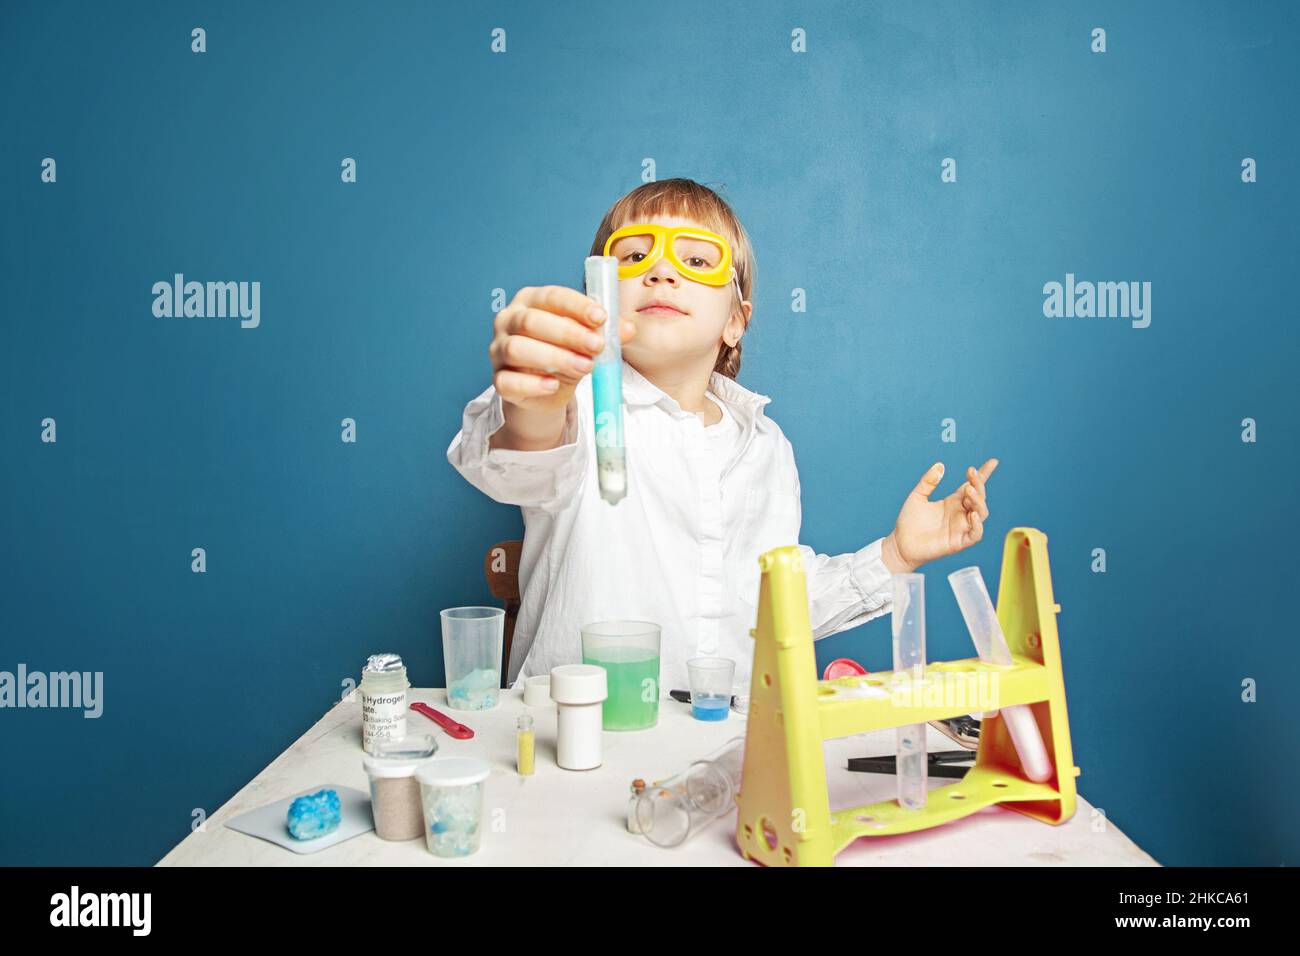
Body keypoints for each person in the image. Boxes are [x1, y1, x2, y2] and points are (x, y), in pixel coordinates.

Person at [447, 178, 998, 693]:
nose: (661, 272)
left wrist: (896, 555)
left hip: (725, 747)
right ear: (600, 299)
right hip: (580, 744)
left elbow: (776, 603)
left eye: (696, 261)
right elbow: (519, 458)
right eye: (634, 256)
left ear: (735, 321)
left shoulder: (766, 446)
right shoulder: (578, 403)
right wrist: (534, 398)